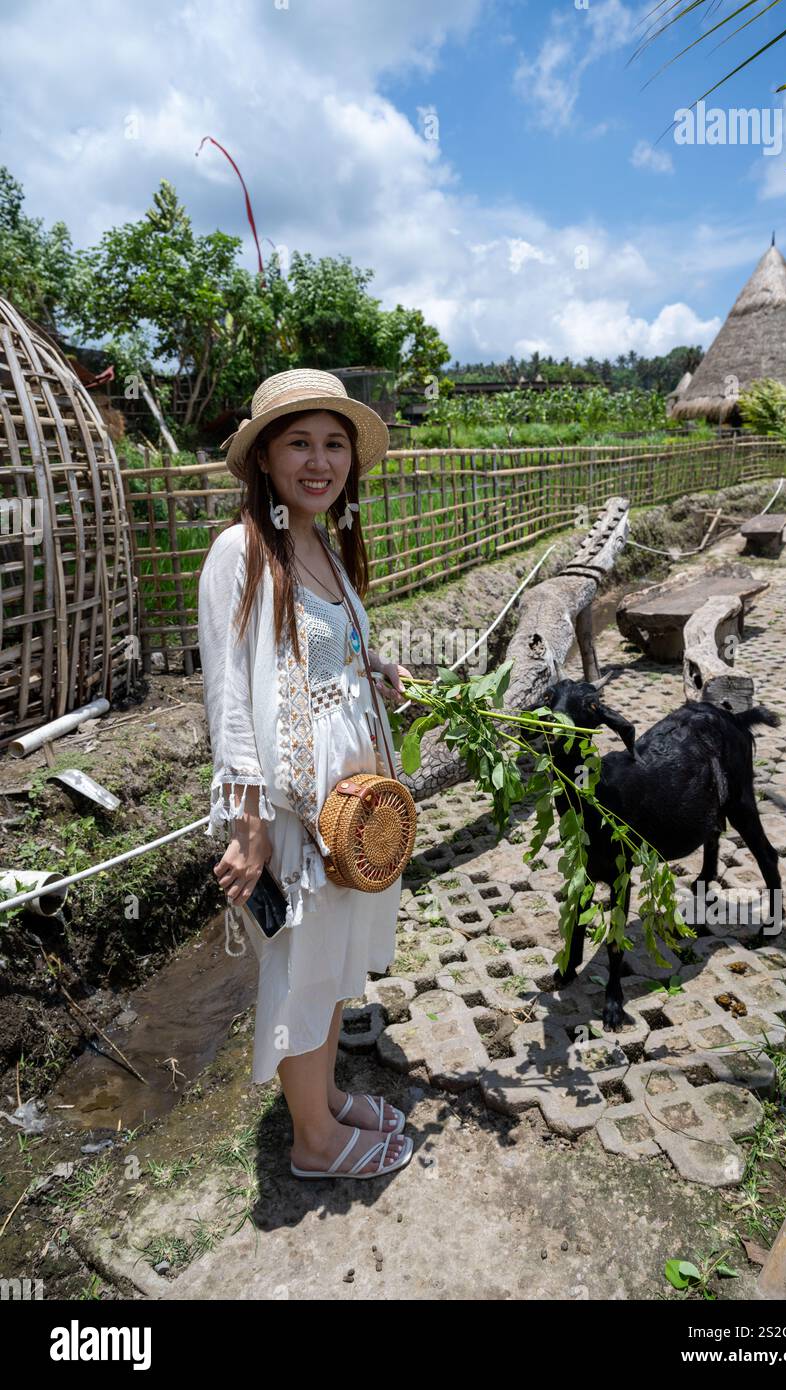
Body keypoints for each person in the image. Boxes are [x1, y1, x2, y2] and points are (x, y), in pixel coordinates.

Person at [197, 369, 414, 1180]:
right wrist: (249, 832)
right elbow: (230, 702)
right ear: (264, 457)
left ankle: (322, 1105)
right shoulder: (240, 552)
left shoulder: (319, 540)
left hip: (348, 801)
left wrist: (375, 668)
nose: (320, 461)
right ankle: (314, 1143)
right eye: (300, 443)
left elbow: (330, 651)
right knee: (297, 965)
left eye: (334, 445)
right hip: (291, 810)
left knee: (329, 962)